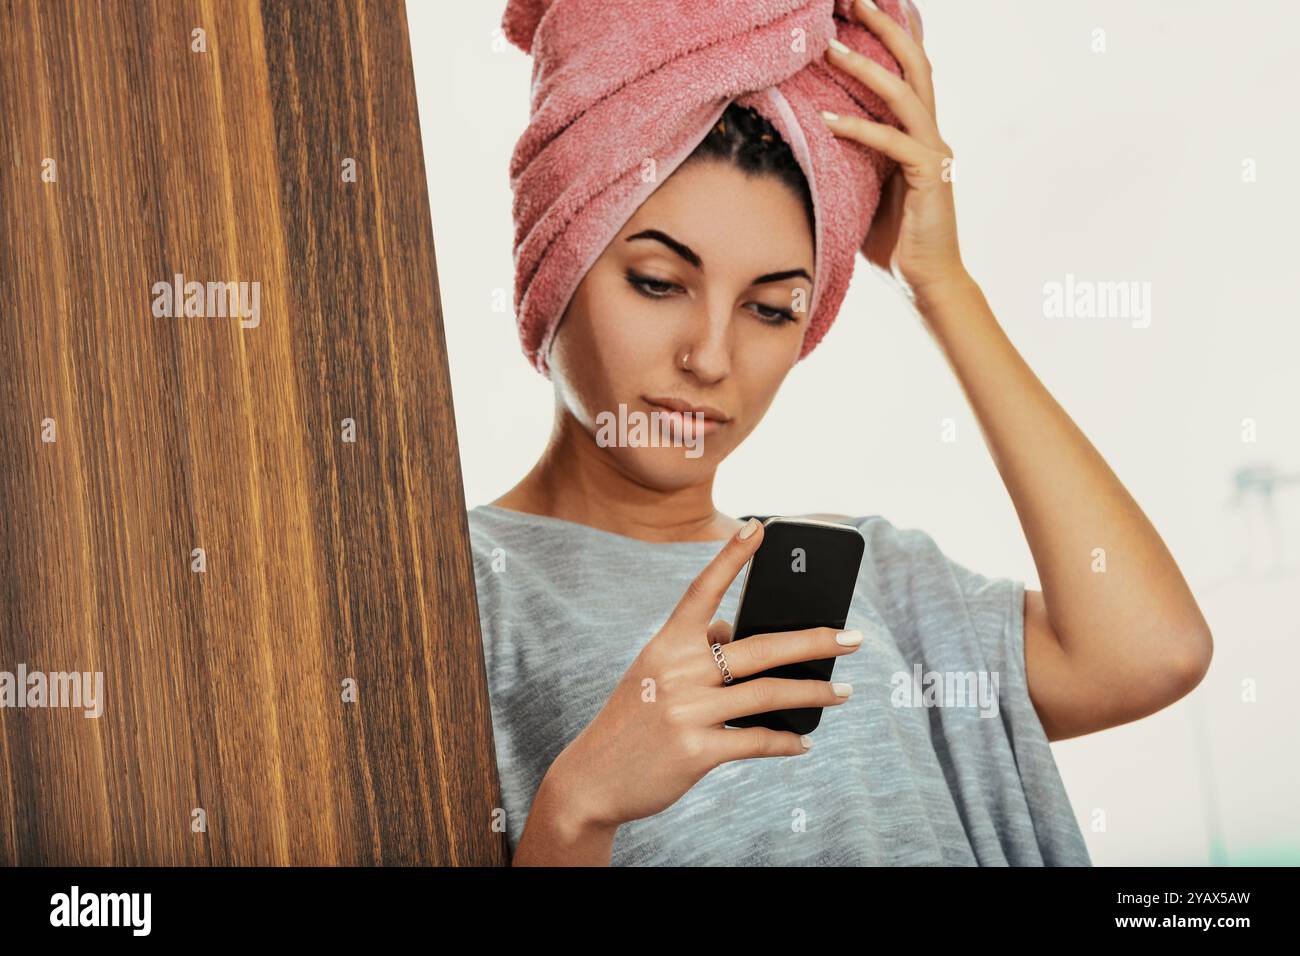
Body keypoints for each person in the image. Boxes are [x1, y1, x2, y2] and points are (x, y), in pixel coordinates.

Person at [468, 1, 1212, 865]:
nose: (710, 357)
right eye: (659, 282)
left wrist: (941, 284)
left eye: (770, 307)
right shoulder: (456, 595)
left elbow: (1152, 652)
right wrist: (578, 809)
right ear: (555, 262)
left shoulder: (866, 578)